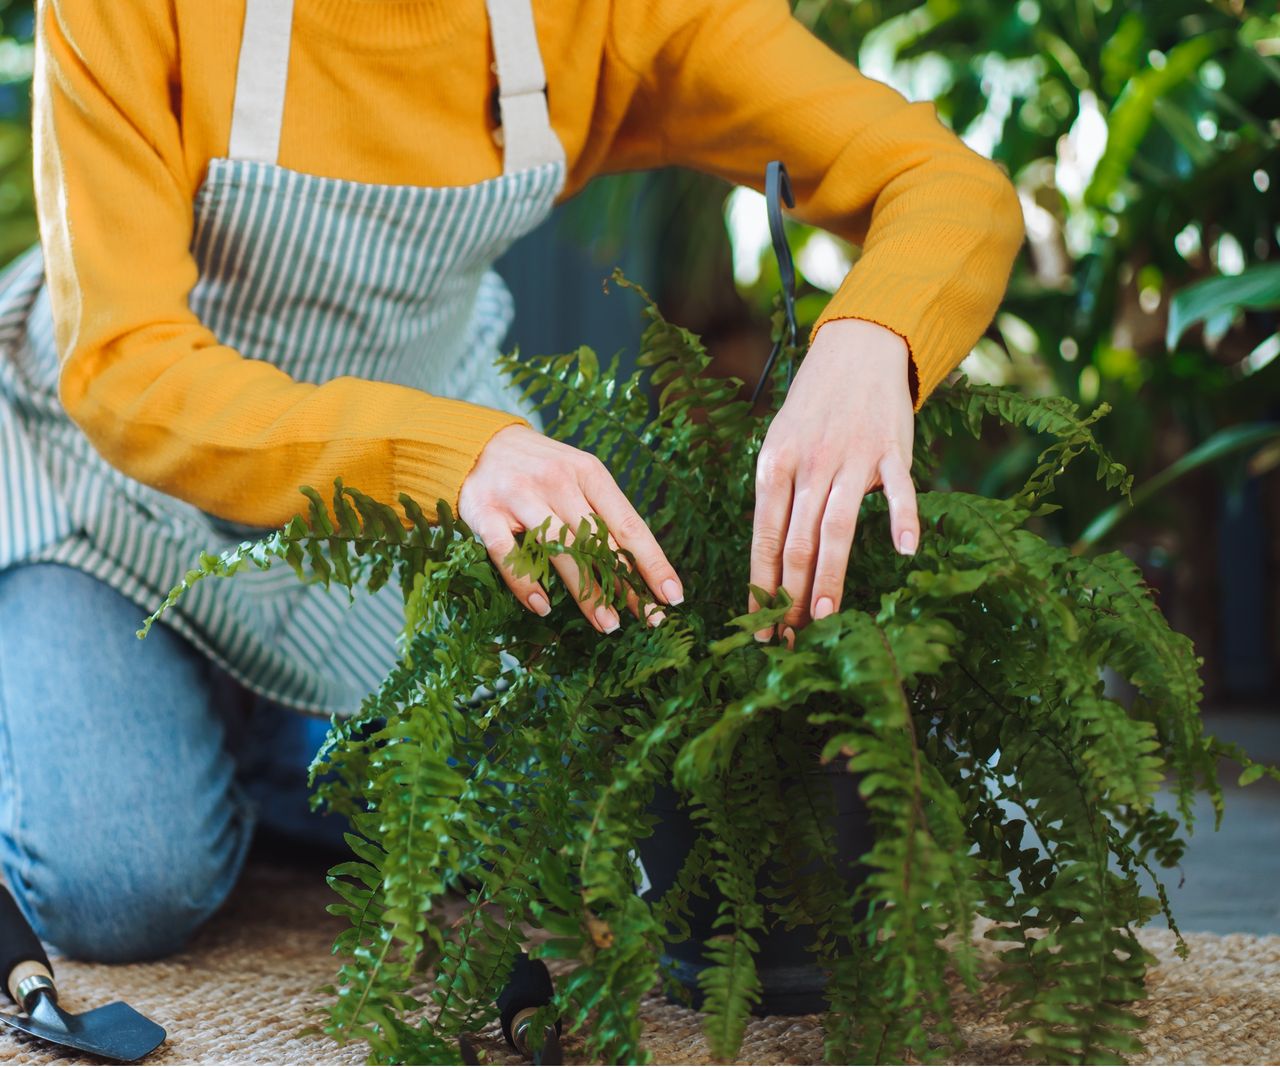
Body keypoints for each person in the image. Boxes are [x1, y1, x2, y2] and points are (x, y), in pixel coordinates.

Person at [0, 0, 1024, 963]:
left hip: (404, 532)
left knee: (588, 826)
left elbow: (948, 183)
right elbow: (126, 370)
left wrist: (869, 340)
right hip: (120, 503)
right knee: (124, 882)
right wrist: (449, 454)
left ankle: (267, 735)